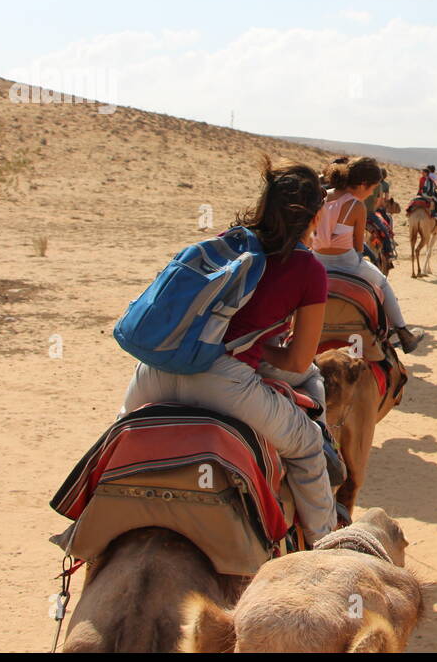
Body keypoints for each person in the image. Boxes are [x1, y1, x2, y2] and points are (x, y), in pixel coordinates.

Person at [120, 158, 340, 546]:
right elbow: (298, 362)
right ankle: (325, 549)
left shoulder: (229, 241)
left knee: (118, 439)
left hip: (154, 374)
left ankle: (83, 525)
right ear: (315, 214)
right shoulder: (308, 269)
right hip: (224, 384)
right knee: (307, 445)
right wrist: (259, 351)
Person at [314, 156, 424, 354]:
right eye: (372, 188)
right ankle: (403, 333)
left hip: (317, 262)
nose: (372, 193)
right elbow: (358, 246)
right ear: (363, 184)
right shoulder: (357, 206)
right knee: (383, 283)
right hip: (347, 262)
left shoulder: (320, 197)